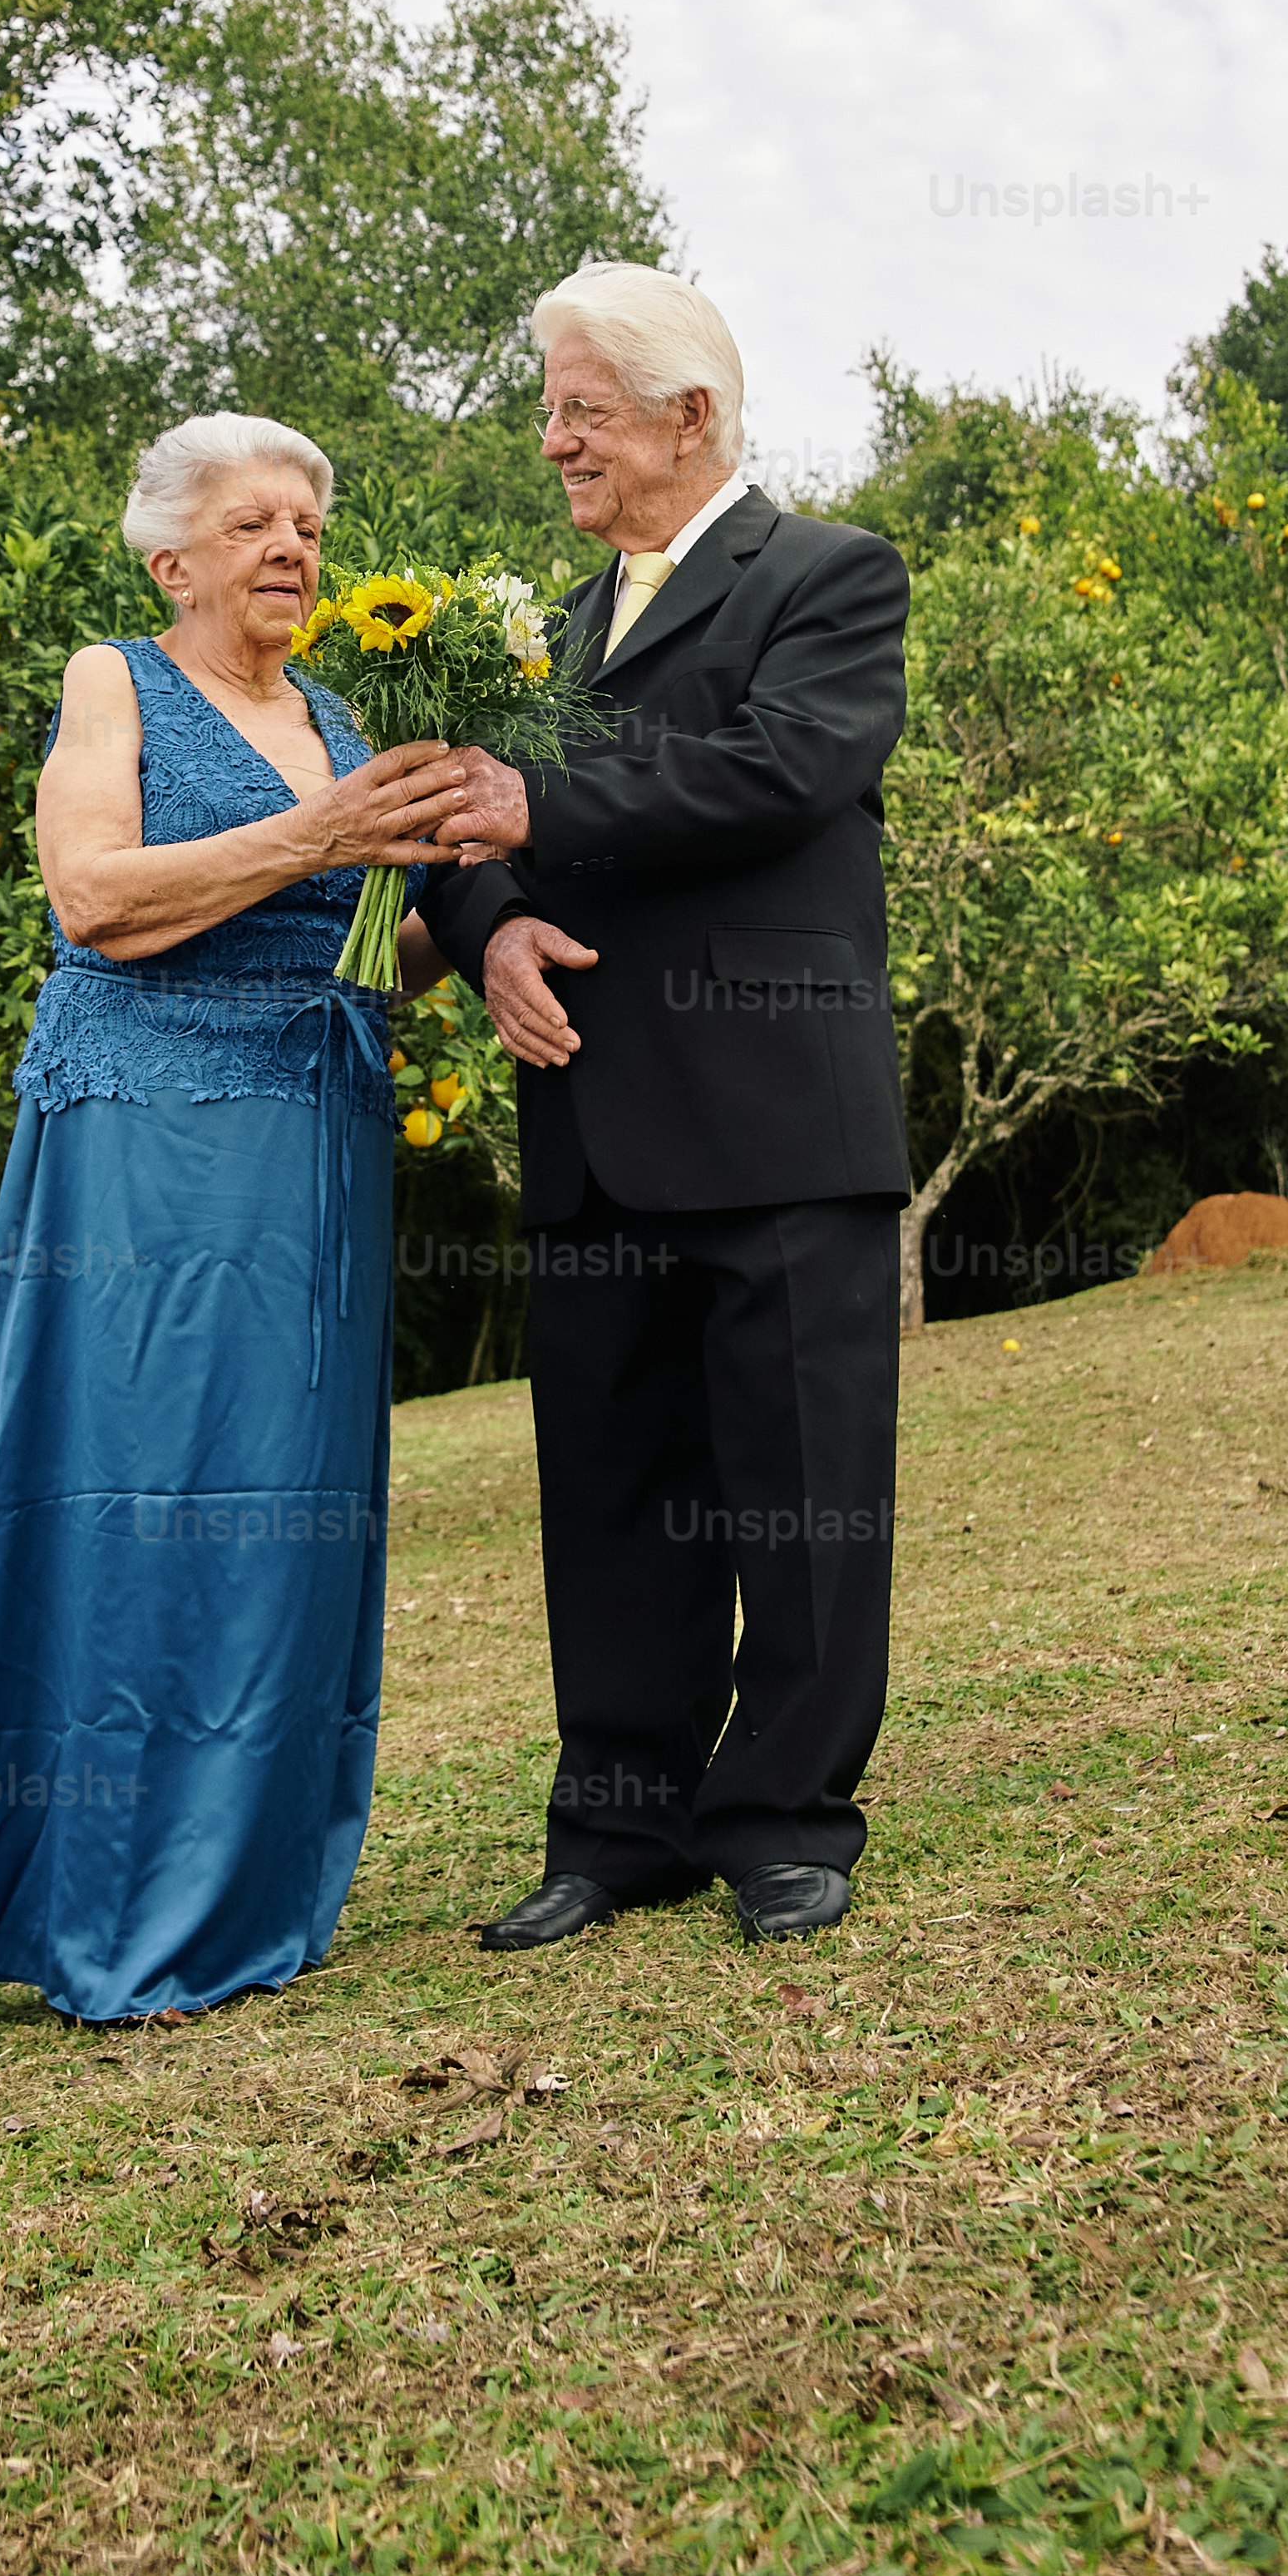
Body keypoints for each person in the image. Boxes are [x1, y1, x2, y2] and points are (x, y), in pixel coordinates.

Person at [0, 416, 463, 2024]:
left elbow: (363, 955)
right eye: (251, 525)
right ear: (173, 559)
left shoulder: (348, 714)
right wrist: (326, 835)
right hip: (153, 1129)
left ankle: (249, 1890)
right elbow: (93, 896)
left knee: (289, 1497)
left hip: (323, 1133)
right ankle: (109, 1909)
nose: (290, 547)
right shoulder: (114, 681)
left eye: (305, 523)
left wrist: (489, 901)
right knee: (154, 1486)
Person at [426, 261, 911, 1950]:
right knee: (612, 1490)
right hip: (590, 1118)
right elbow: (469, 844)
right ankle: (616, 1828)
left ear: (688, 416)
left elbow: (782, 768)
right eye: (551, 407)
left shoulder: (832, 579)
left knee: (797, 1486)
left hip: (778, 1114)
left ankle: (785, 1814)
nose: (555, 440)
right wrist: (485, 937)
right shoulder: (551, 628)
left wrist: (527, 797)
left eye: (583, 409)